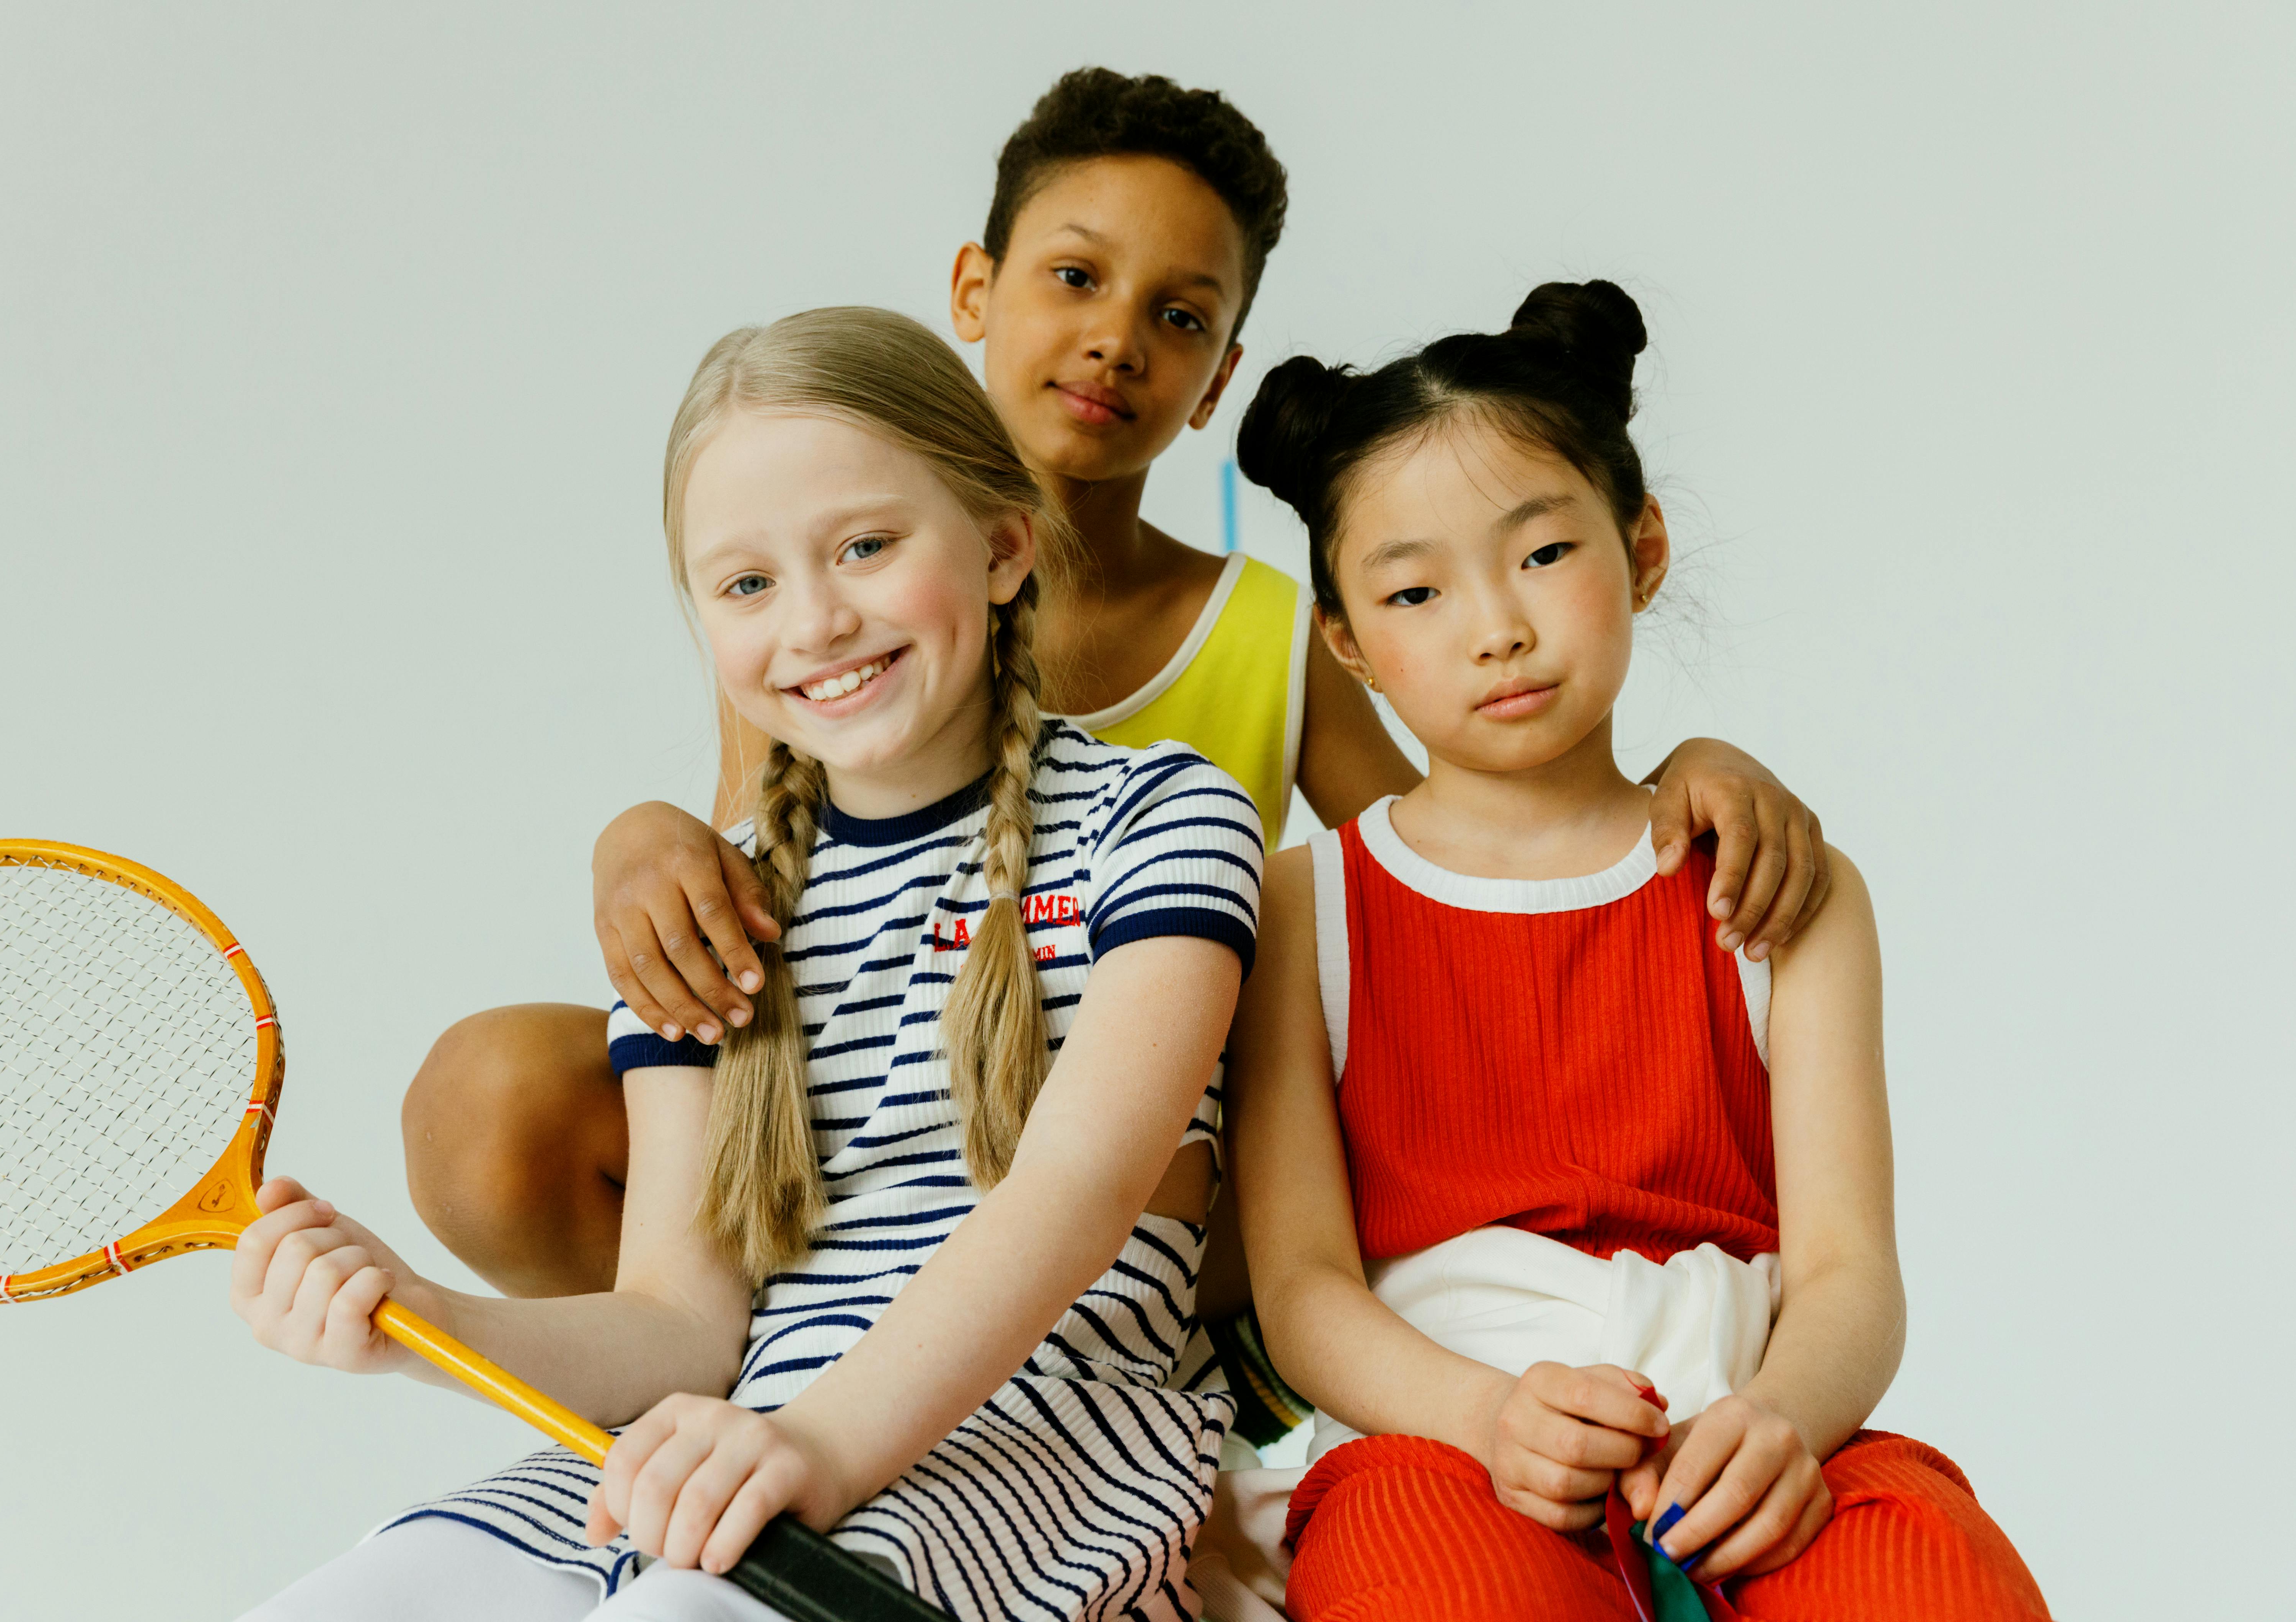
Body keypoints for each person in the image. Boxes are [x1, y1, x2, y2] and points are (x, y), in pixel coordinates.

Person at [401, 73, 1833, 1454]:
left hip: (1166, 1183)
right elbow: (785, 926)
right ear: (974, 291)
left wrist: (1683, 769)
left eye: (1180, 316)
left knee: (1157, 1130)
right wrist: (642, 831)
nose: (1115, 342)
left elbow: (1463, 865)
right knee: (493, 1099)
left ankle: (1163, 1418)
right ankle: (757, 1381)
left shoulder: (1264, 634)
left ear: (1219, 381)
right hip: (889, 1136)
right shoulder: (832, 604)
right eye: (1076, 279)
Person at [230, 306, 1267, 1622]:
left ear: (1005, 547)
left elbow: (1079, 1190)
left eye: (867, 547)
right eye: (746, 585)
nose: (817, 621)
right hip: (732, 1434)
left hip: (1041, 1449)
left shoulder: (1162, 819)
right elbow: (679, 1324)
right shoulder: (714, 906)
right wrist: (417, 1322)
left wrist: (821, 1446)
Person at [1225, 282, 2050, 1619]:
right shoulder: (1302, 912)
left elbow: (1849, 1269)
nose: (1495, 627)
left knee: (1933, 1582)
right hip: (1446, 1437)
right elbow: (1305, 1287)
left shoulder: (1783, 889)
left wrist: (1782, 1421)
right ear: (1348, 642)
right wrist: (1487, 1416)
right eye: (1415, 590)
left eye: (1544, 554)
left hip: (1758, 1418)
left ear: (1644, 548)